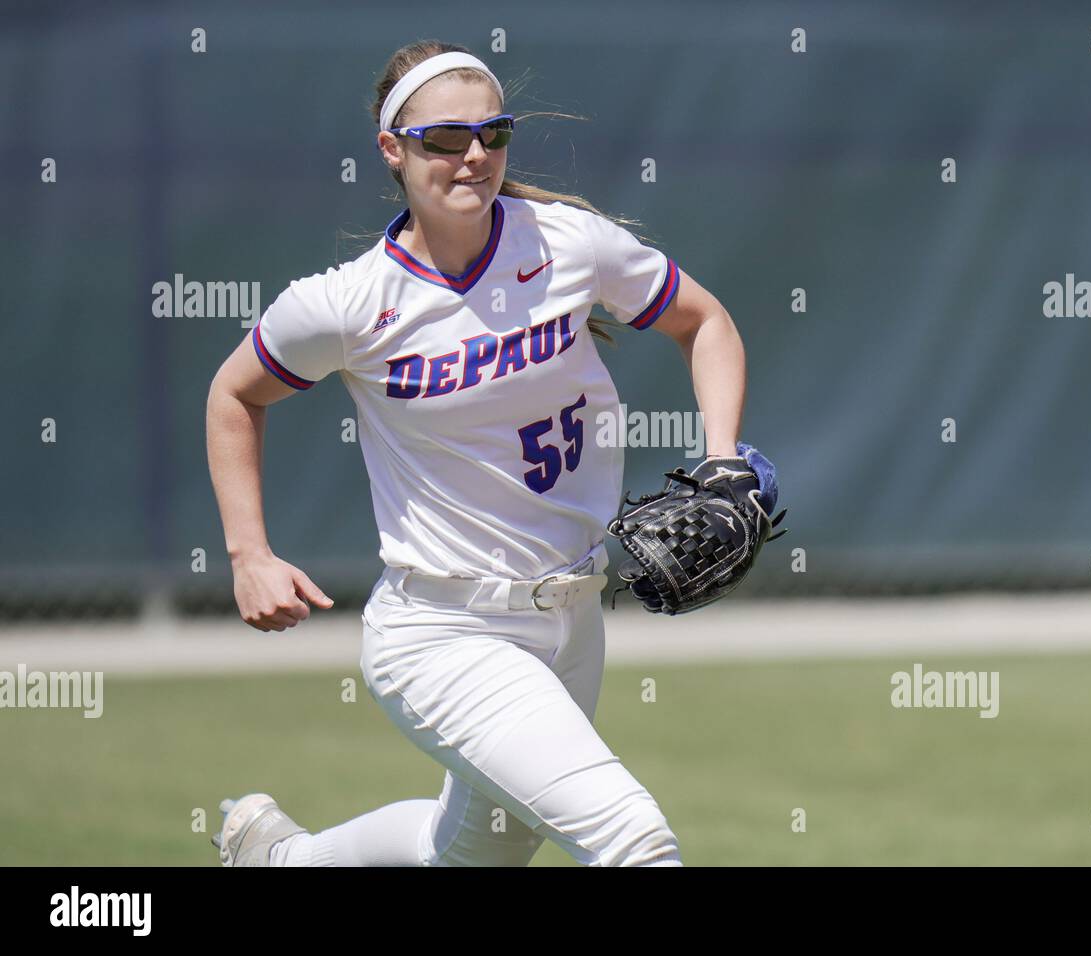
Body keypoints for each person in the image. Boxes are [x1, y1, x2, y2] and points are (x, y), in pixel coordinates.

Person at [204, 39, 748, 867]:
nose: (474, 157)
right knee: (634, 839)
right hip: (443, 630)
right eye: (444, 140)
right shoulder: (349, 304)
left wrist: (722, 462)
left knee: (462, 860)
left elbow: (702, 322)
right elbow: (235, 395)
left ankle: (282, 860)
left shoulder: (567, 244)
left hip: (572, 619)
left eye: (492, 134)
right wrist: (249, 552)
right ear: (392, 150)